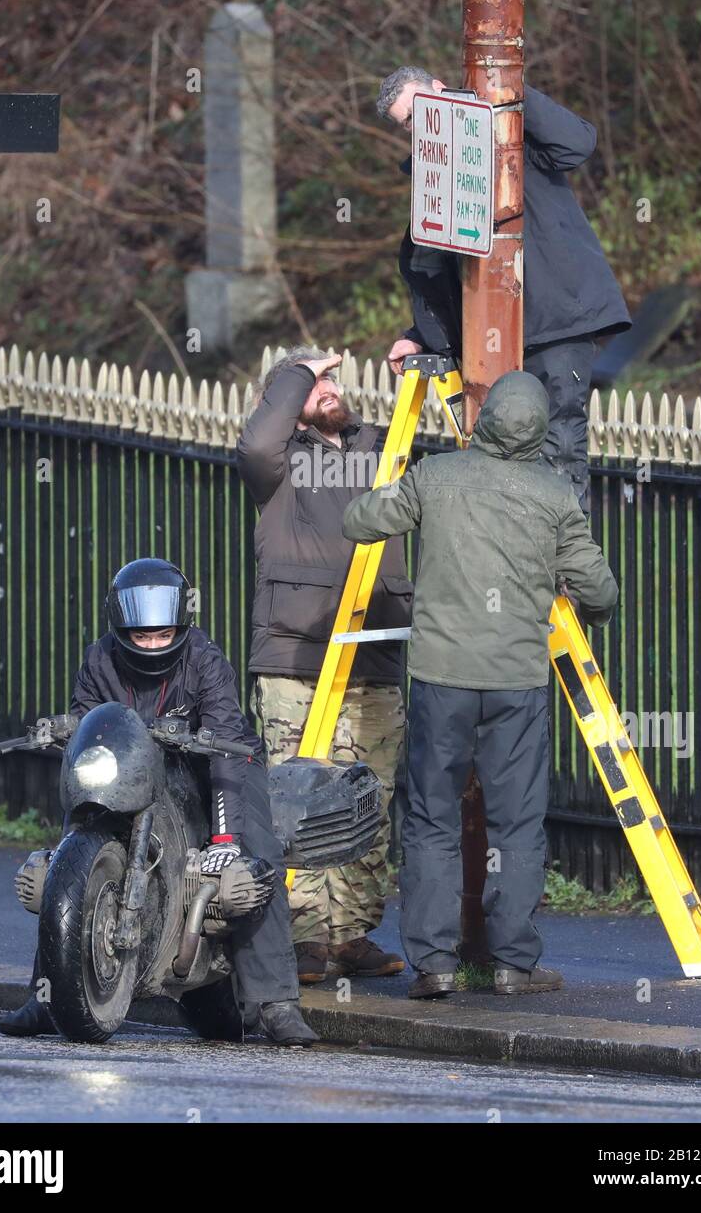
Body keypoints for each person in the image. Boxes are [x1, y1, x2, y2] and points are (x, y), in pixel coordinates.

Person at [342, 371, 619, 999]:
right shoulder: (554, 495)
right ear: (541, 431)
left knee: (431, 821)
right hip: (517, 682)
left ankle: (433, 965)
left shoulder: (437, 477)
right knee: (518, 824)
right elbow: (599, 592)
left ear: (484, 419)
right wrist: (577, 599)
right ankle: (514, 965)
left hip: (441, 678)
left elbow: (362, 521)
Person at [0, 557, 317, 1046]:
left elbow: (227, 740)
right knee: (75, 844)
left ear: (180, 626)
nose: (152, 643)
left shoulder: (206, 660)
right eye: (141, 636)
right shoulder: (98, 659)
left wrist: (227, 837)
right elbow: (88, 728)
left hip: (216, 764)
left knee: (259, 854)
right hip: (134, 769)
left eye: (162, 634)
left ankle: (275, 1004)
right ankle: (47, 997)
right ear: (121, 627)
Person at [376, 67, 631, 511]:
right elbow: (443, 271)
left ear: (440, 90)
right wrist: (419, 333)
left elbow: (578, 143)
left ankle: (564, 573)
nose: (418, 127)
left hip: (556, 317)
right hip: (490, 332)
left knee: (558, 444)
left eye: (418, 111)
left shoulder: (510, 128)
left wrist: (506, 88)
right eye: (407, 123)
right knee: (502, 456)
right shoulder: (434, 175)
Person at [237, 347, 411, 985]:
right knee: (299, 799)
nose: (328, 388)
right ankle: (305, 938)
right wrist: (301, 372)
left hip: (375, 649)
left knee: (370, 795)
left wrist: (420, 349)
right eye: (312, 384)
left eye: (332, 378)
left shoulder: (381, 446)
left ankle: (352, 934)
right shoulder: (278, 463)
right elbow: (256, 445)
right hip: (296, 655)